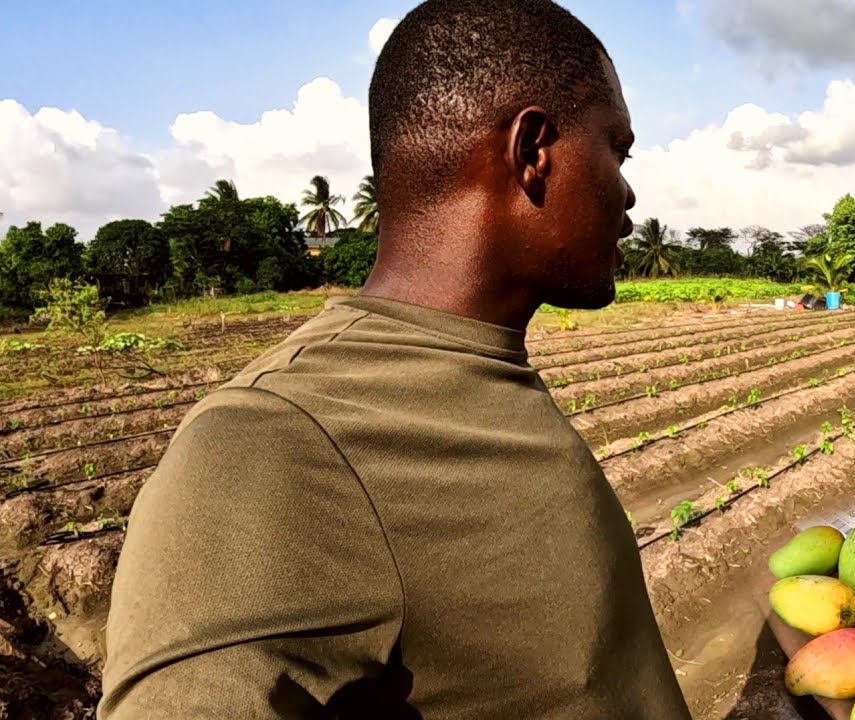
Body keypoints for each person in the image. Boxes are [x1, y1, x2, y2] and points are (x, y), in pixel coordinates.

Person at [97, 1, 692, 717]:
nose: (628, 193)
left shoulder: (477, 361)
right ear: (531, 150)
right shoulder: (277, 439)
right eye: (617, 149)